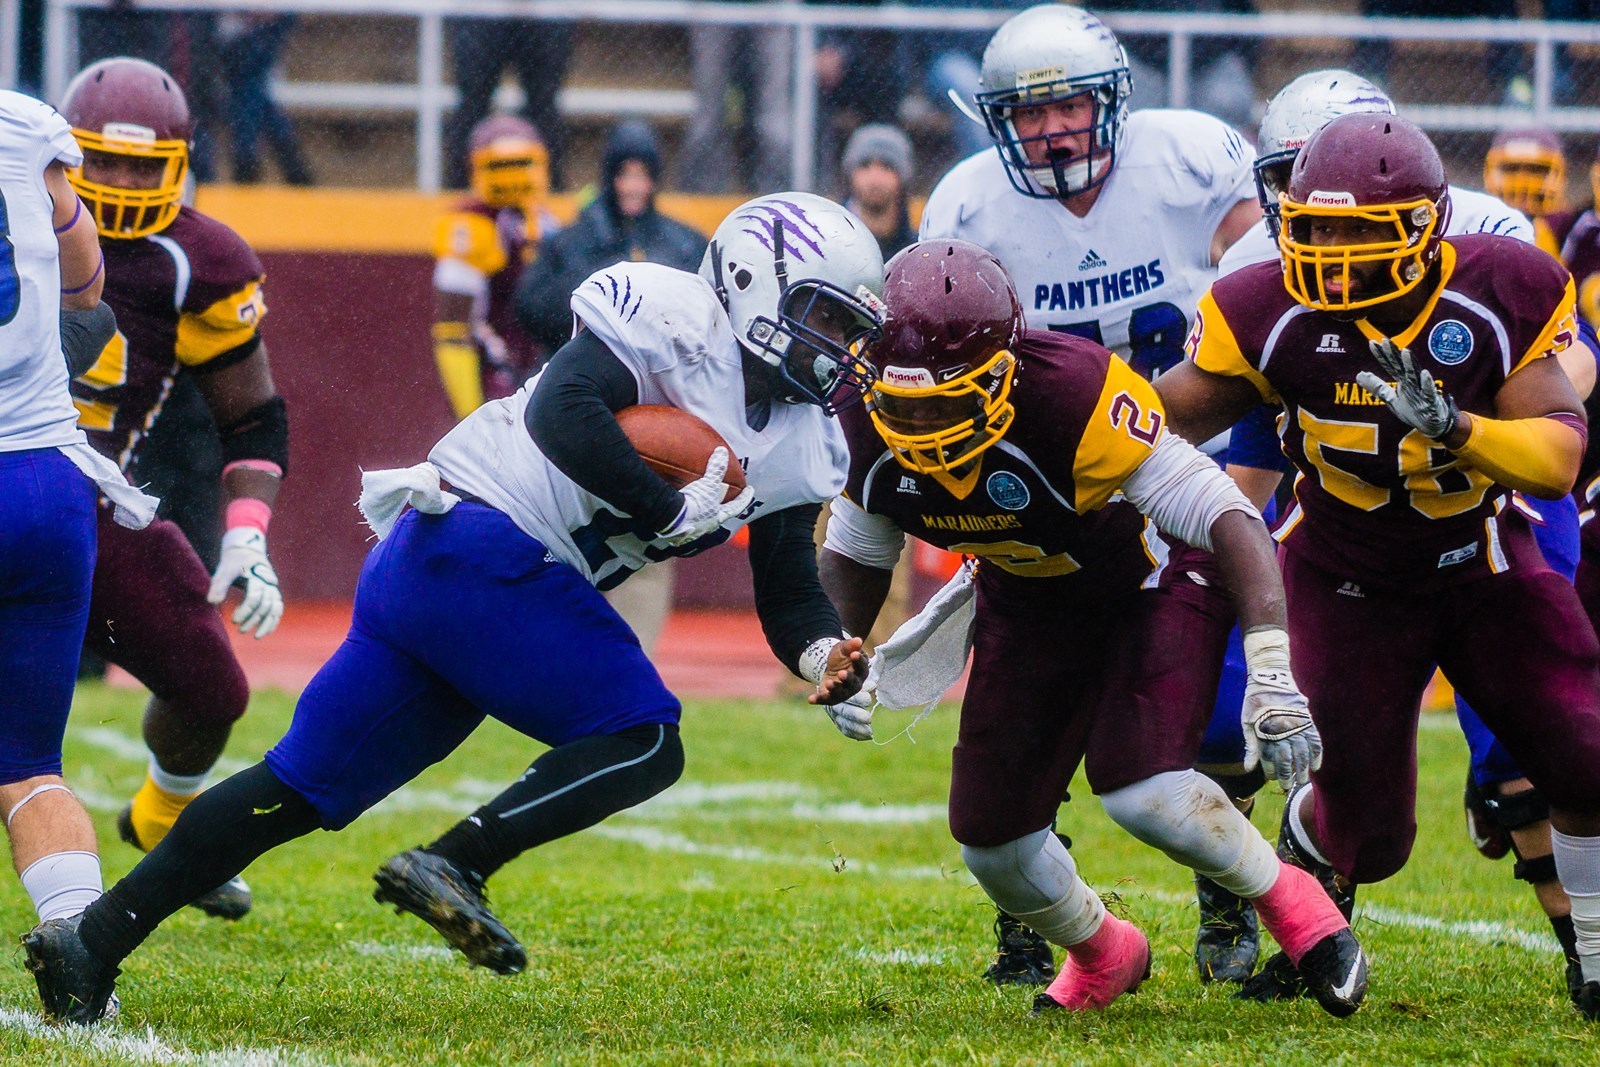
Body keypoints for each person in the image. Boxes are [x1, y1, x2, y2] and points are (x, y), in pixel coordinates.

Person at [23, 192, 889, 1026]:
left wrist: (824, 656)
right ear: (748, 282)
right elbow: (563, 412)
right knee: (644, 736)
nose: (839, 345)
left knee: (294, 787)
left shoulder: (806, 441)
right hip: (481, 540)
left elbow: (786, 586)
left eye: (852, 328)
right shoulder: (673, 313)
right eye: (827, 316)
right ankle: (458, 861)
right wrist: (668, 512)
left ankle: (89, 944)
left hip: (446, 570)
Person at [821, 240, 1365, 1018]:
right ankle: (1106, 950)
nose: (920, 424)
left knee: (1141, 789)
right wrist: (836, 646)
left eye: (946, 399)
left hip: (1151, 575)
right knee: (992, 841)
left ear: (1005, 372)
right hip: (1028, 596)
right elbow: (860, 547)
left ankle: (1296, 903)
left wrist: (1272, 665)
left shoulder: (1075, 393)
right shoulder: (858, 417)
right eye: (903, 402)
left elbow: (1229, 517)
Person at [1155, 112, 1600, 1020]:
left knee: (1585, 751)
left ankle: (1595, 948)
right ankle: (1311, 838)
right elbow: (1157, 421)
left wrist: (1458, 428)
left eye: (1353, 233)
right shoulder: (1264, 307)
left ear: (1424, 229)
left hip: (1479, 561)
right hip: (1344, 574)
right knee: (1373, 836)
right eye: (1312, 228)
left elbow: (1558, 457)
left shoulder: (1497, 289)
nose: (1326, 253)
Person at [917, 2, 1259, 984]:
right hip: (1052, 485)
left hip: (1190, 459)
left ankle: (1225, 898)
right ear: (995, 121)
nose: (1053, 127)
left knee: (1218, 705)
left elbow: (1263, 283)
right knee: (1027, 698)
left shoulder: (1188, 159)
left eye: (1068, 104)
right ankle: (1030, 919)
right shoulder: (972, 204)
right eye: (1029, 112)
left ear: (1110, 100)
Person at [57, 57, 292, 921]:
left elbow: (254, 419)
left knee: (211, 686)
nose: (117, 183)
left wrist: (247, 533)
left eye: (139, 165)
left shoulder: (201, 260)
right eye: (100, 161)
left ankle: (162, 819)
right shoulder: (14, 221)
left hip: (88, 499)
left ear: (180, 162)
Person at [0, 89, 156, 993]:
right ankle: (77, 942)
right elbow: (88, 284)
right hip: (44, 482)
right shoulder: (23, 127)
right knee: (27, 765)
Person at [513, 120, 706, 655]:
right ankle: (559, 647)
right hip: (582, 409)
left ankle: (631, 654)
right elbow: (531, 307)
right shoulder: (570, 242)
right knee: (564, 528)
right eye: (623, 173)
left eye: (643, 173)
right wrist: (610, 288)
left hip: (655, 416)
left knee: (645, 525)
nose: (633, 185)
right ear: (608, 177)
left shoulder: (682, 242)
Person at [433, 115, 560, 421]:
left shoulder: (543, 221)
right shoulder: (470, 224)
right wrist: (469, 414)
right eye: (502, 166)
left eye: (521, 164)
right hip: (494, 367)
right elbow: (453, 329)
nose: (513, 175)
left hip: (538, 366)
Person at [443, 16, 575, 191]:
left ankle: (548, 189)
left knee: (544, 108)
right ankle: (459, 190)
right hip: (483, 11)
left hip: (543, 12)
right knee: (472, 106)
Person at [218, 13, 314, 186]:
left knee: (247, 84)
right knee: (250, 85)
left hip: (255, 24)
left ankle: (247, 162)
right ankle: (292, 166)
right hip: (238, 25)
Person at [1483, 126, 1579, 259]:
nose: (1523, 181)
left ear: (1563, 176)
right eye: (1512, 169)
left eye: (1537, 170)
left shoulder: (1580, 231)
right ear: (1488, 172)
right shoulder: (1472, 223)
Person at [840, 124, 918, 261]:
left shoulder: (917, 252)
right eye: (865, 165)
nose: (874, 178)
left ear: (903, 177)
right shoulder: (828, 248)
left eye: (886, 166)